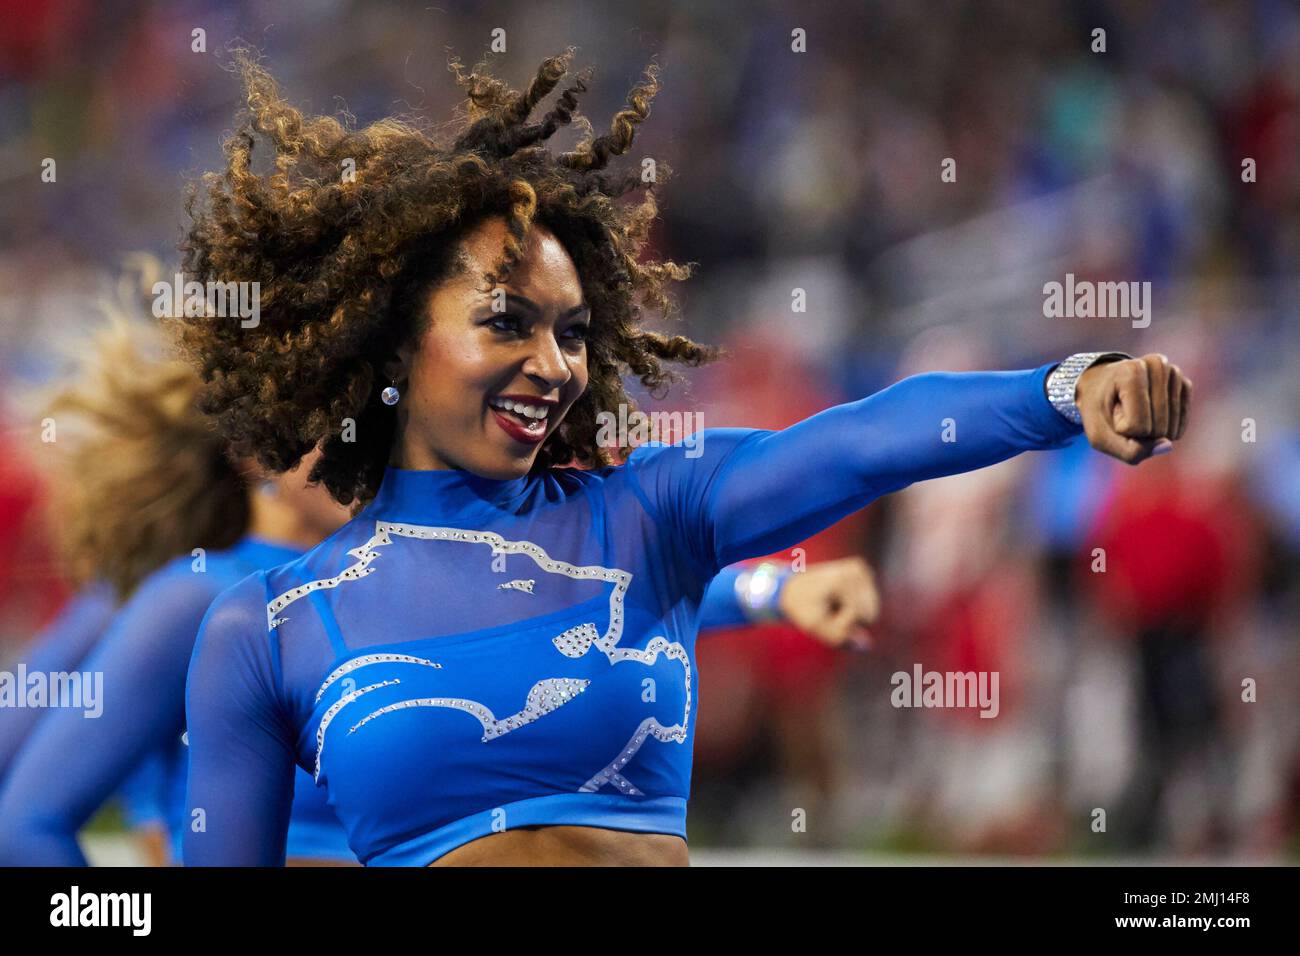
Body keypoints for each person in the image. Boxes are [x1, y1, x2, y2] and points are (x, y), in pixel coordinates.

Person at [177, 50, 1191, 866]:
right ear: (395, 335)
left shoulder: (651, 512)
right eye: (507, 323)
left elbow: (857, 440)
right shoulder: (269, 625)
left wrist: (1062, 389)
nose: (551, 365)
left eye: (573, 332)